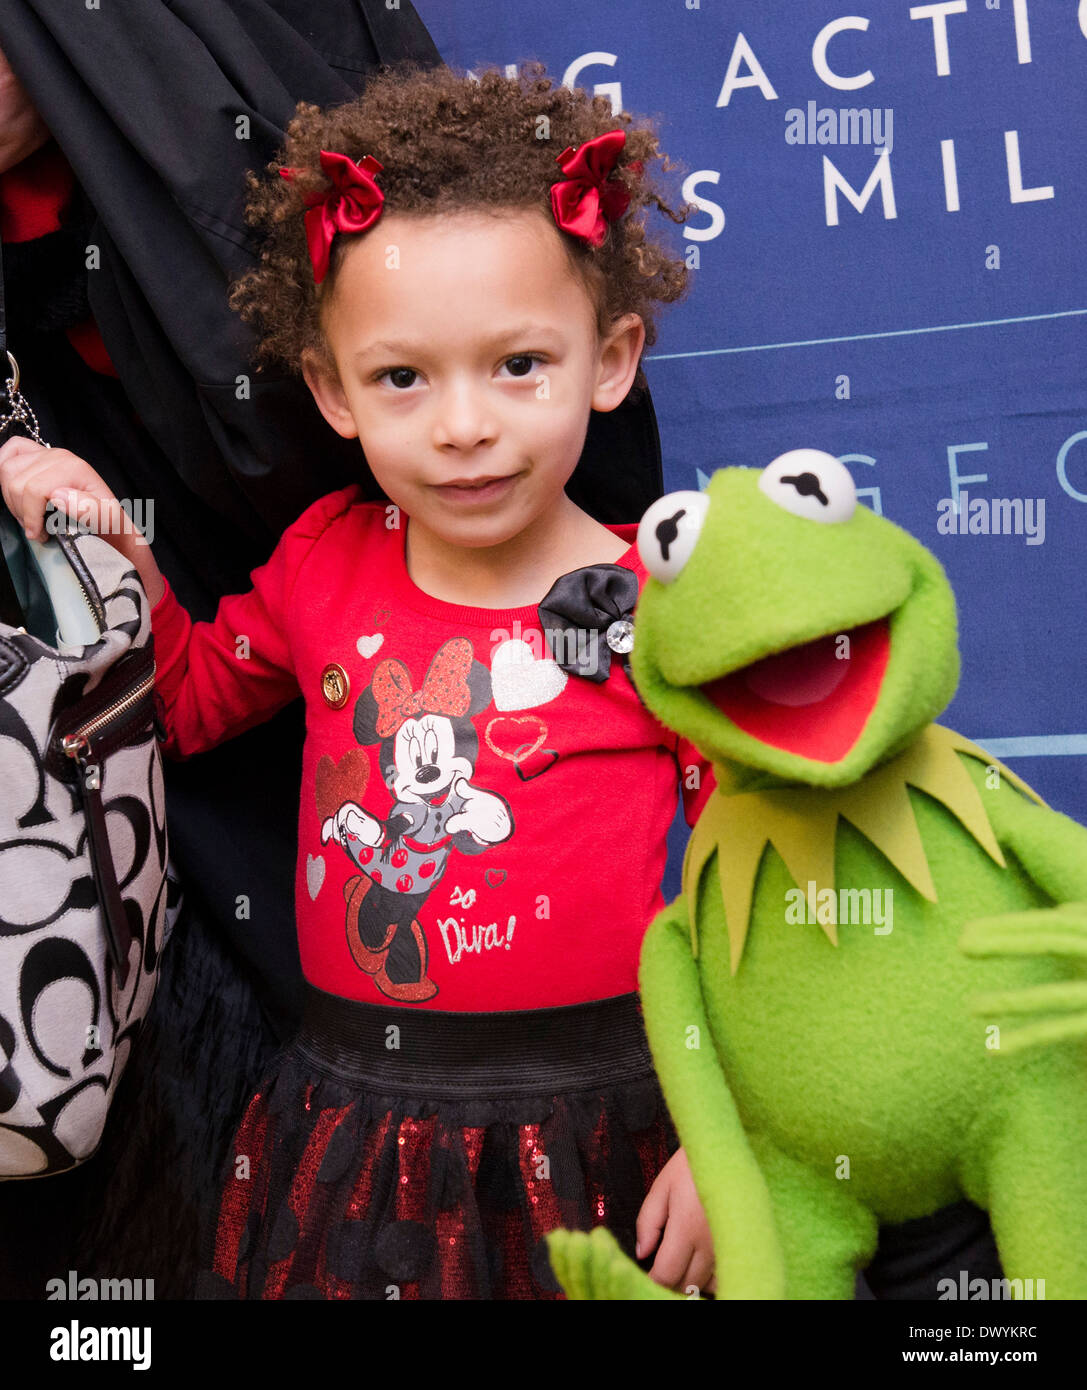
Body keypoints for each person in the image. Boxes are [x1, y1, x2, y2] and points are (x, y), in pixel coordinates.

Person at [0, 60, 716, 1300]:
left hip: (612, 1116)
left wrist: (727, 1131)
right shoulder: (329, 557)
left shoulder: (655, 604)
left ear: (609, 361)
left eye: (518, 366)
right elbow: (194, 697)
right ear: (331, 390)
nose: (462, 425)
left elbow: (750, 876)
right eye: (403, 378)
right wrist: (112, 543)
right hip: (367, 1124)